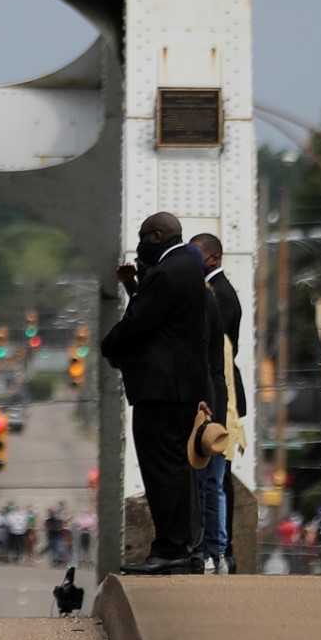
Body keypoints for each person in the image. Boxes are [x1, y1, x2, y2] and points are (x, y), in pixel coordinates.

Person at [102, 212, 215, 575]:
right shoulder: (187, 266)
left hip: (162, 390)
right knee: (177, 469)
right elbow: (160, 317)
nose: (138, 246)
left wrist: (109, 346)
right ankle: (184, 547)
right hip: (180, 388)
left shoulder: (168, 272)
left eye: (141, 238)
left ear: (154, 237)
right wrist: (136, 285)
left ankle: (170, 548)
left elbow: (139, 320)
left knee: (162, 469)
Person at [192, 232, 247, 574]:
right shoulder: (216, 291)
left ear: (212, 258)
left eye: (195, 255)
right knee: (215, 478)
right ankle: (217, 548)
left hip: (220, 391)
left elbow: (218, 351)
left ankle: (220, 550)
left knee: (217, 477)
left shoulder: (219, 295)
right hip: (219, 389)